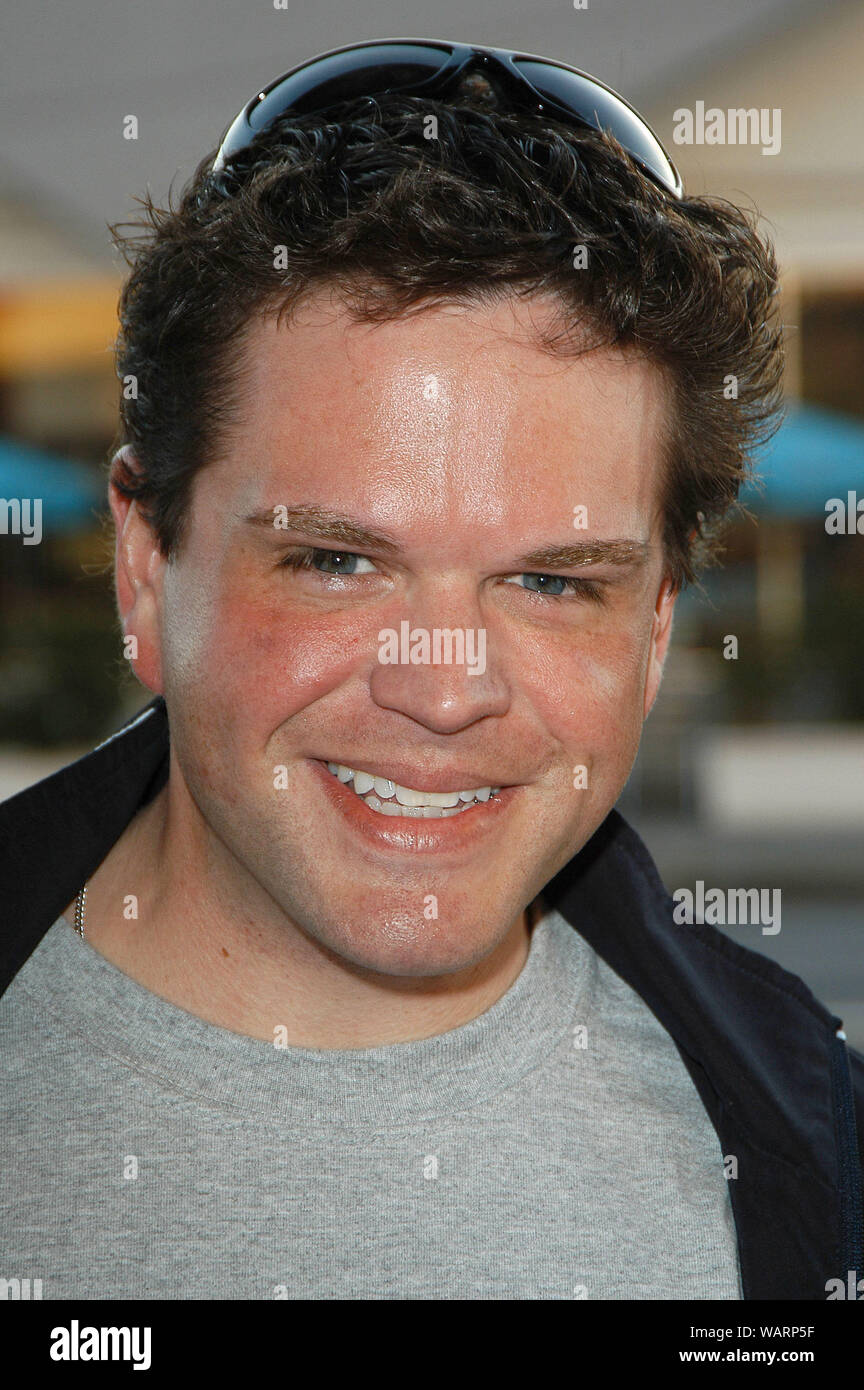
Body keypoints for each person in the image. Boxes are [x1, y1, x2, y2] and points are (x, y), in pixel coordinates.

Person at [1, 39, 861, 1302]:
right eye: (337, 561)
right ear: (145, 568)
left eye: (555, 581)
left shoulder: (821, 1142)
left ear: (660, 624)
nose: (446, 688)